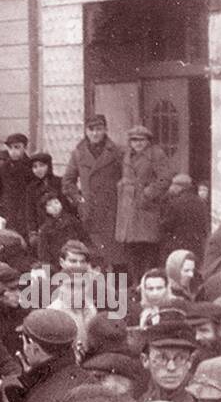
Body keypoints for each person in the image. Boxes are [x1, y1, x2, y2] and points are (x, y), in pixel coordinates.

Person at [61, 113, 122, 264]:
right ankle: (92, 285)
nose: (95, 133)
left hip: (111, 210)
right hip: (89, 210)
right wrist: (79, 199)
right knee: (92, 254)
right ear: (86, 131)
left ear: (105, 130)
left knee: (113, 254)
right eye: (91, 129)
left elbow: (124, 179)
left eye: (99, 129)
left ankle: (113, 285)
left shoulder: (116, 152)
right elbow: (68, 181)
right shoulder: (78, 153)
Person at [115, 125, 171, 283]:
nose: (137, 144)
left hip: (146, 209)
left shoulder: (156, 154)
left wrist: (148, 194)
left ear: (148, 141)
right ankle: (135, 284)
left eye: (141, 140)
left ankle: (147, 284)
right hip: (127, 209)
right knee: (131, 249)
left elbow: (165, 178)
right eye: (133, 140)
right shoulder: (127, 155)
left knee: (147, 249)